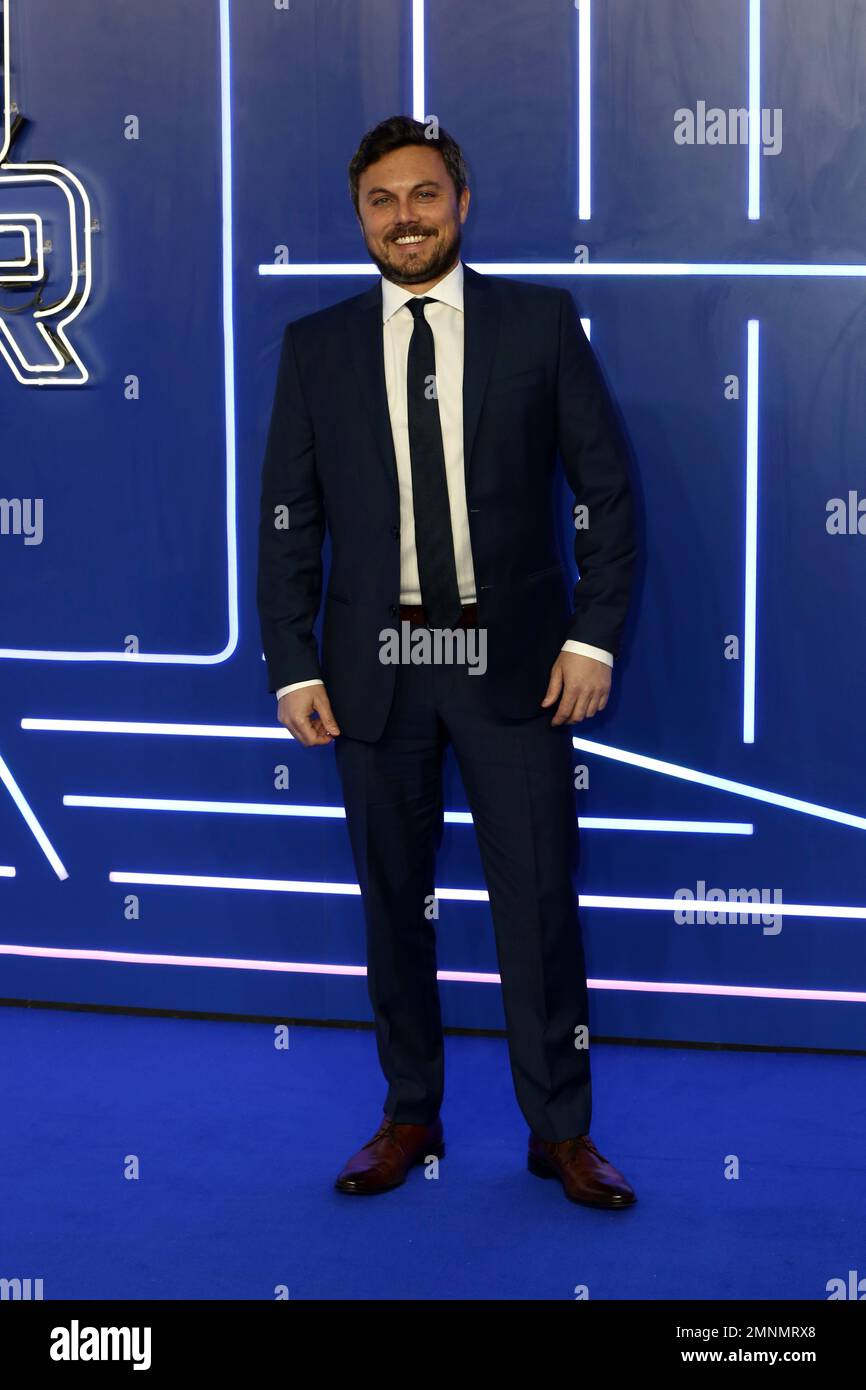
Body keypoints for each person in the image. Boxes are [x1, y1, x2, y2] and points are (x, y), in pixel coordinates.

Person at [257, 116, 638, 1209]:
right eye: (382, 200)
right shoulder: (316, 345)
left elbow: (605, 493)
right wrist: (293, 664)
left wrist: (589, 636)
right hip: (372, 670)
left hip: (511, 662)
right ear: (360, 216)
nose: (404, 217)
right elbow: (288, 522)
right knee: (392, 905)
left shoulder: (537, 323)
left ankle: (559, 1131)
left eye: (423, 195)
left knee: (537, 908)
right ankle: (407, 1114)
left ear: (460, 204)